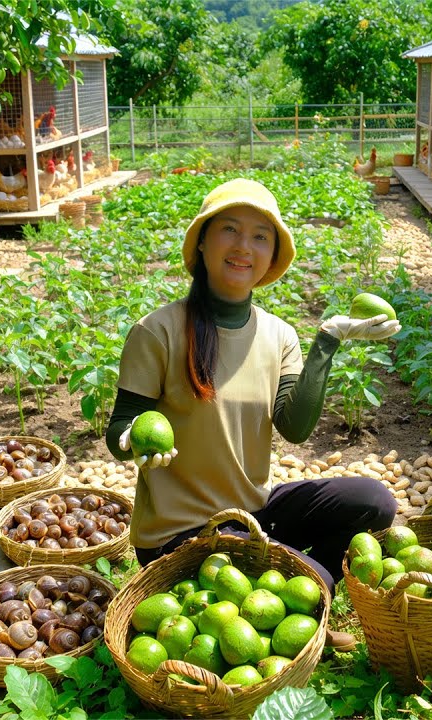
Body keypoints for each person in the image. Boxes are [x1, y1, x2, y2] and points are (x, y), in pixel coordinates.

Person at [106, 178, 399, 651]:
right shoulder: (157, 330)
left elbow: (295, 427)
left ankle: (304, 604)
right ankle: (298, 614)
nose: (244, 246)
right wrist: (132, 441)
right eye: (229, 229)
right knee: (272, 566)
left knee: (374, 501)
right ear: (202, 241)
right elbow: (122, 423)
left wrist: (327, 341)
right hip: (179, 534)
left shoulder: (279, 335)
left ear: (270, 256)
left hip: (252, 513)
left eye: (261, 236)